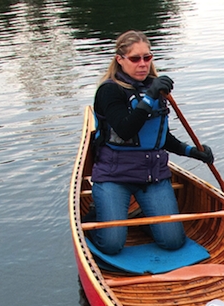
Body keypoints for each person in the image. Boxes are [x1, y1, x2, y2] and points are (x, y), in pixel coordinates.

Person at [90, 30, 215, 255]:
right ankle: (97, 216)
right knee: (111, 245)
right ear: (120, 59)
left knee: (173, 242)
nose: (142, 64)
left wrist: (193, 152)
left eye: (147, 57)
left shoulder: (156, 89)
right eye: (135, 58)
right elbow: (125, 130)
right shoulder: (109, 91)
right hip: (114, 175)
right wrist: (150, 96)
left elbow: (160, 136)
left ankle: (144, 218)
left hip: (152, 175)